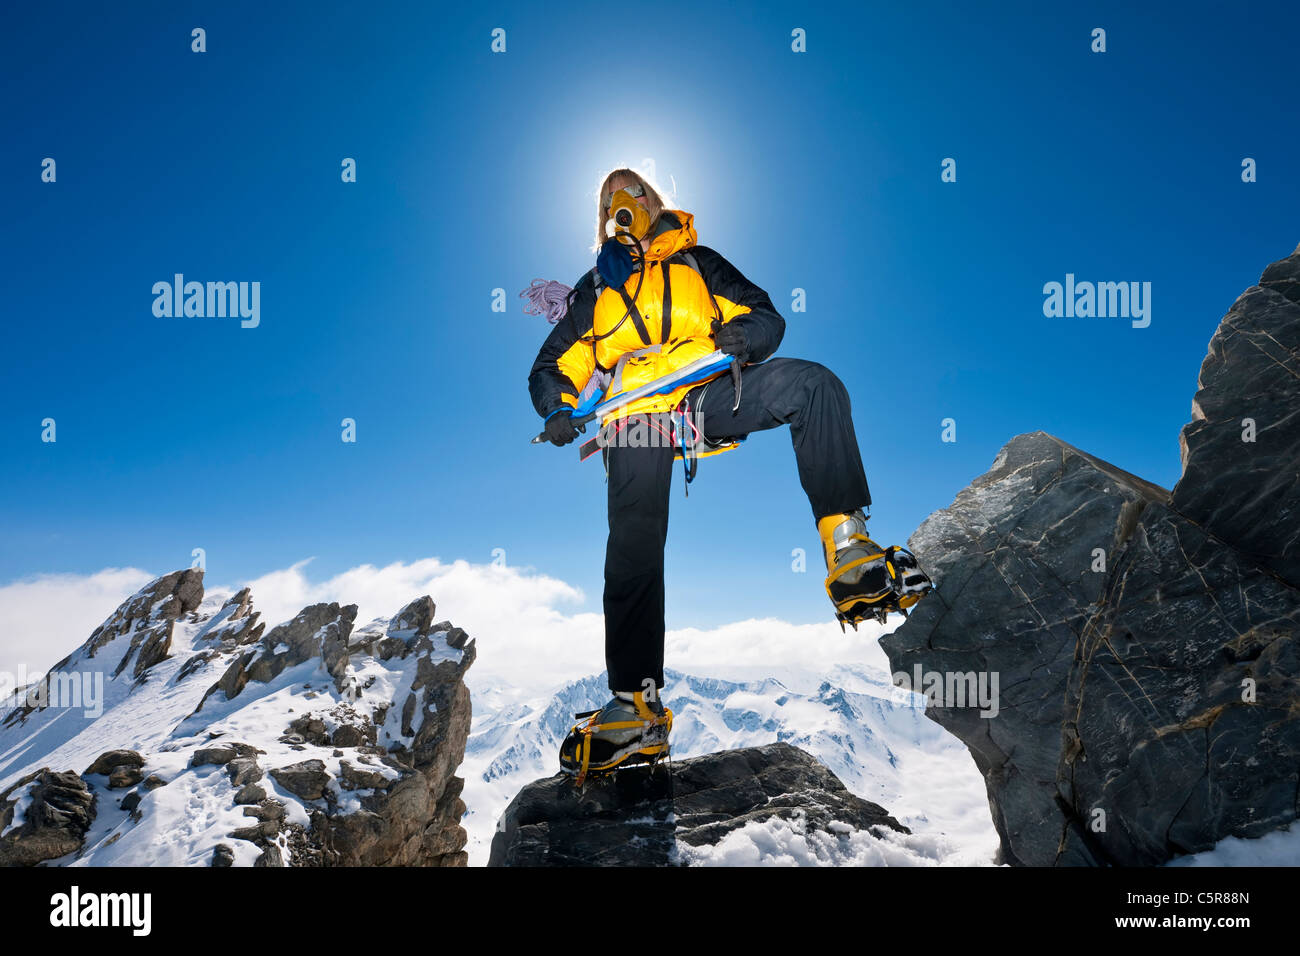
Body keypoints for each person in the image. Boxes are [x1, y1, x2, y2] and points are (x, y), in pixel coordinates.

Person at [527, 168, 930, 781]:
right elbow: (554, 363)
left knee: (812, 384)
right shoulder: (594, 290)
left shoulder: (698, 262)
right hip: (636, 413)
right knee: (634, 539)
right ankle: (636, 704)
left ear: (651, 202)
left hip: (704, 391)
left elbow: (765, 315)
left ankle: (849, 547)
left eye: (631, 192)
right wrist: (557, 405)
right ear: (605, 218)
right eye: (610, 200)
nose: (621, 205)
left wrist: (738, 337)